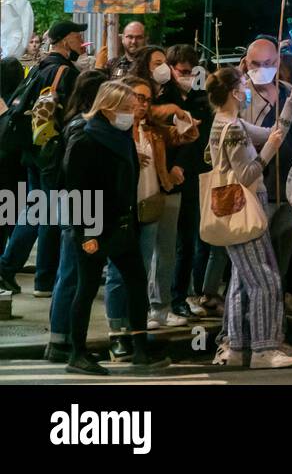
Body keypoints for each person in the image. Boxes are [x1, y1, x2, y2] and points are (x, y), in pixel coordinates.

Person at [63, 80, 170, 375]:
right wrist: (87, 233)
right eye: (125, 109)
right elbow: (75, 190)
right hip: (95, 227)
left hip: (122, 224)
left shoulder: (119, 136)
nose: (131, 114)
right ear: (108, 108)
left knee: (136, 281)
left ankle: (139, 348)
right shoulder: (86, 139)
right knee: (85, 287)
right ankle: (77, 353)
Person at [204, 68, 292, 369]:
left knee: (241, 279)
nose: (247, 88)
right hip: (241, 204)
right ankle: (263, 348)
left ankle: (236, 346)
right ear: (233, 92)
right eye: (243, 84)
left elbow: (274, 133)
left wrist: (290, 102)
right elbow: (248, 173)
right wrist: (269, 149)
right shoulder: (231, 128)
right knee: (265, 279)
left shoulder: (229, 123)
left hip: (232, 205)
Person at [0, 20, 82, 296]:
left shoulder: (39, 67)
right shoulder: (65, 72)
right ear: (62, 41)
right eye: (75, 36)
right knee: (48, 215)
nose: (80, 42)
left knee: (36, 210)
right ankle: (41, 279)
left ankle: (10, 268)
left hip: (33, 150)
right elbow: (70, 115)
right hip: (51, 152)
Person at [129, 47, 200, 329]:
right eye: (157, 63)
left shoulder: (173, 95)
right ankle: (140, 309)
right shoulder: (136, 97)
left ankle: (161, 306)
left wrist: (185, 125)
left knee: (167, 248)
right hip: (143, 186)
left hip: (168, 183)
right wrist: (171, 112)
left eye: (163, 64)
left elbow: (184, 137)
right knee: (144, 252)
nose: (163, 69)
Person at [44, 68, 109, 363]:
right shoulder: (83, 127)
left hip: (76, 208)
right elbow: (76, 174)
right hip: (81, 210)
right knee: (71, 274)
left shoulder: (75, 121)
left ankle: (65, 338)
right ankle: (60, 340)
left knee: (70, 274)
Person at [238, 37, 292, 281]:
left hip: (288, 185)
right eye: (255, 64)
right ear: (246, 63)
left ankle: (278, 307)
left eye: (268, 63)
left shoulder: (290, 91)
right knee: (254, 256)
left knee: (283, 253)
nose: (261, 69)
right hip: (257, 186)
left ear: (278, 62)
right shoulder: (241, 93)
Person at [156, 45, 213, 320]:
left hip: (192, 176)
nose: (188, 76)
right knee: (166, 244)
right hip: (167, 175)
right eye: (182, 72)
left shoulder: (200, 97)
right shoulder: (162, 96)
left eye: (192, 72)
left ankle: (179, 297)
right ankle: (160, 301)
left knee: (187, 242)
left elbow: (200, 134)